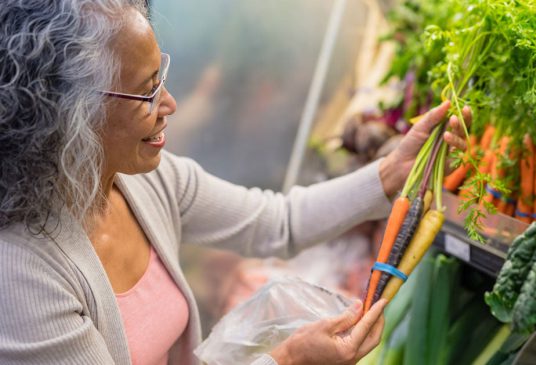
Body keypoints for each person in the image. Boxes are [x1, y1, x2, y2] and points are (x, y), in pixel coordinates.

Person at [0, 1, 469, 364]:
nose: (171, 103)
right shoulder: (21, 272)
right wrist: (286, 359)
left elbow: (275, 222)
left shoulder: (144, 183)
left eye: (161, 75)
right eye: (146, 91)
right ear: (70, 115)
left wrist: (391, 174)